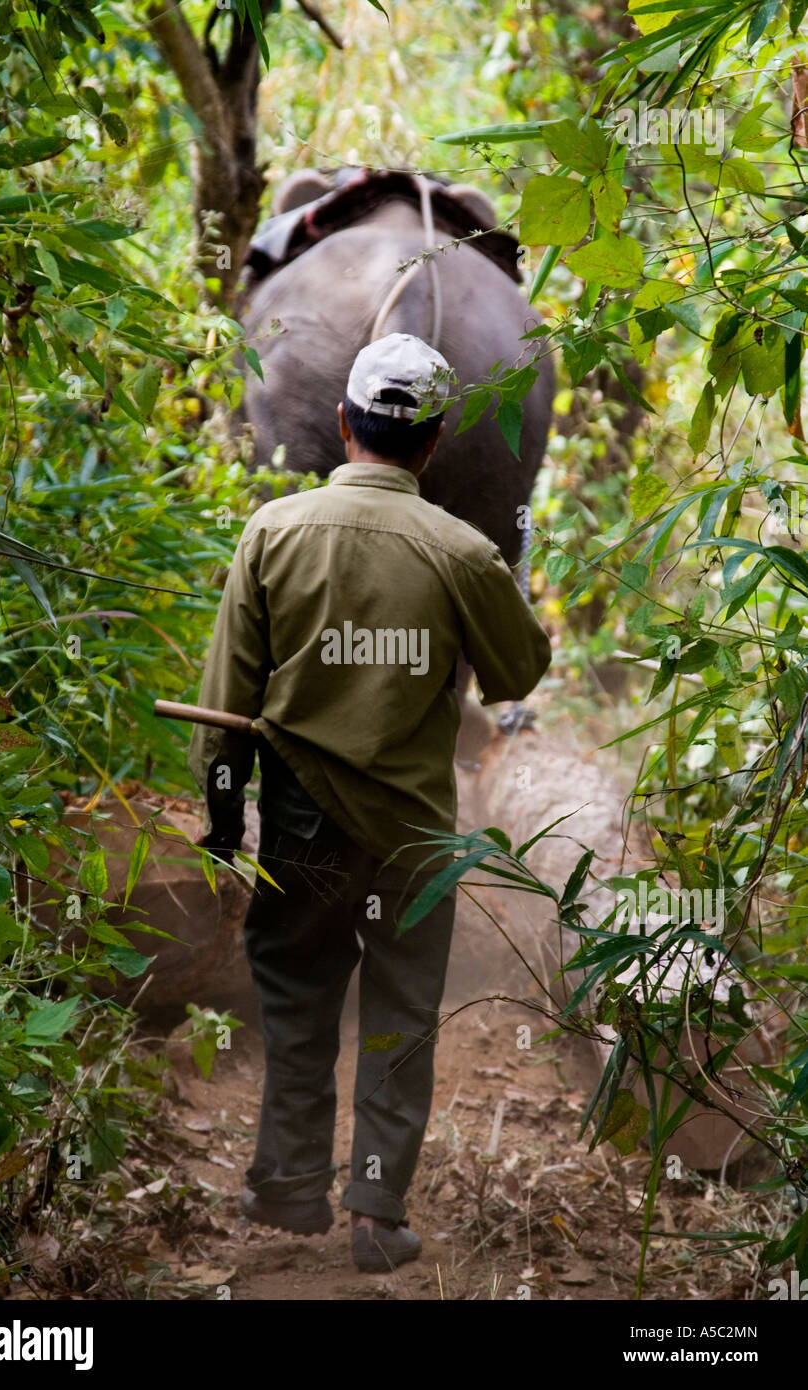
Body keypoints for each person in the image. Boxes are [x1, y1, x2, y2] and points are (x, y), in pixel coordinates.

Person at [188, 332, 551, 1273]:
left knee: (296, 990)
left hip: (300, 819)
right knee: (400, 1007)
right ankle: (378, 1211)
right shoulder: (463, 551)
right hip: (414, 836)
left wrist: (224, 823)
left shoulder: (272, 531)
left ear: (344, 422)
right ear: (433, 443)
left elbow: (225, 707)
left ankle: (288, 1183)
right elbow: (518, 674)